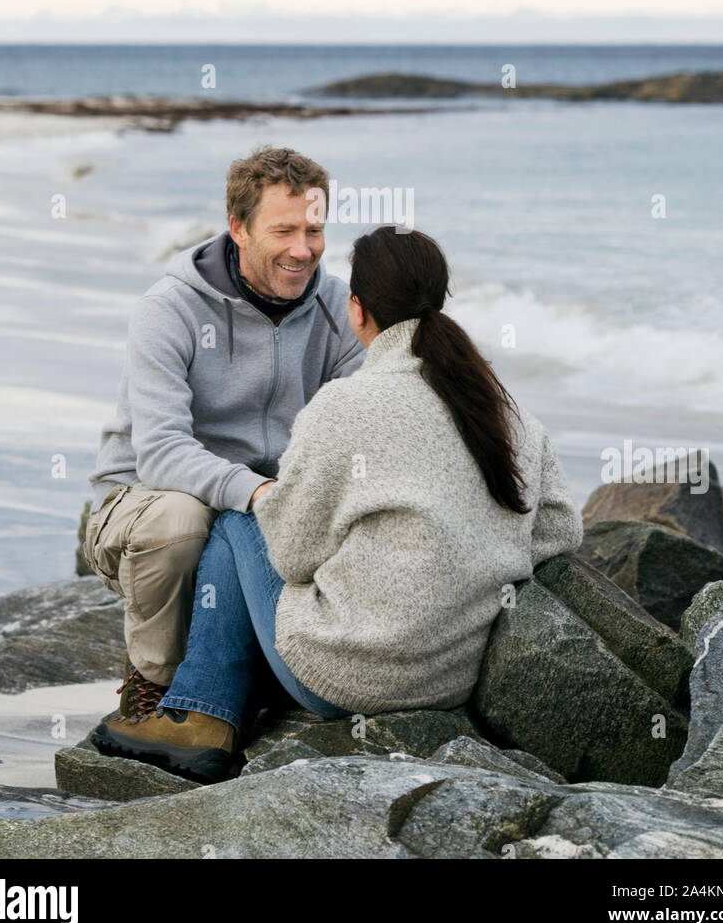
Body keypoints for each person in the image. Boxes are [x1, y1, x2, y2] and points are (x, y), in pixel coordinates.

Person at [91, 225, 584, 783]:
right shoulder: (501, 407)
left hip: (343, 676)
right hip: (451, 677)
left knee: (238, 516)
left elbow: (293, 553)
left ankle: (202, 715)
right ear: (440, 301)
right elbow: (560, 531)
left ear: (356, 309)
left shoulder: (345, 406)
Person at [83, 146, 364, 737]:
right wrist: (260, 493)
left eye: (315, 230)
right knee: (185, 519)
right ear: (238, 228)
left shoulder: (339, 306)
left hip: (267, 508)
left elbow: (360, 424)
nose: (303, 249)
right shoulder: (170, 308)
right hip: (146, 502)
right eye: (283, 230)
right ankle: (153, 680)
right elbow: (160, 451)